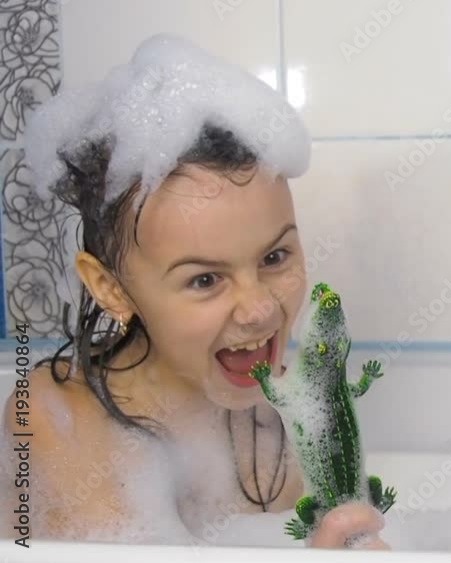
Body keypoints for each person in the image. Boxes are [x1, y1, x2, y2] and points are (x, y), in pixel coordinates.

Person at [0, 34, 389, 550]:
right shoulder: (55, 418)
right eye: (205, 279)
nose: (260, 309)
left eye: (275, 257)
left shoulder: (285, 419)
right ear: (110, 289)